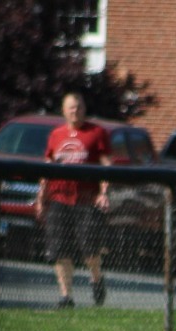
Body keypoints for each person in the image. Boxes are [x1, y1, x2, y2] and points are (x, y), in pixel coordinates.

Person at [36, 92, 111, 309]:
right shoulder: (56, 135)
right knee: (59, 249)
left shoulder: (96, 133)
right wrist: (41, 197)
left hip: (86, 200)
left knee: (90, 249)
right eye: (71, 107)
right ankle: (66, 296)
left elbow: (107, 165)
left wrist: (104, 192)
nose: (75, 111)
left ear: (84, 109)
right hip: (59, 199)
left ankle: (96, 278)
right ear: (63, 110)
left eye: (78, 107)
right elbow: (47, 168)